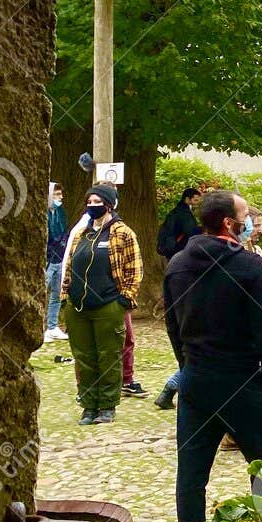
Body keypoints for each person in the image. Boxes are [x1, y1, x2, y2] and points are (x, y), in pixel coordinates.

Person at [162, 189, 262, 522]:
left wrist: (189, 364)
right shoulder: (249, 266)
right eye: (245, 215)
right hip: (244, 377)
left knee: (191, 475)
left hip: (197, 379)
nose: (248, 221)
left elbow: (172, 325)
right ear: (230, 223)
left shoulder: (177, 264)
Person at [61, 183, 141, 426]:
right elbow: (69, 266)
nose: (92, 206)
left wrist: (124, 299)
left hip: (108, 306)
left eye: (98, 202)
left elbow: (134, 269)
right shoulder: (81, 233)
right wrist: (65, 297)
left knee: (108, 357)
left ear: (109, 204)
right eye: (89, 201)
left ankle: (106, 405)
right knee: (84, 357)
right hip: (78, 308)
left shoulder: (122, 233)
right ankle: (88, 405)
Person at [44, 183, 68, 343]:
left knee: (57, 295)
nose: (60, 198)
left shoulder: (60, 213)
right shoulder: (43, 214)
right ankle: (40, 327)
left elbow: (64, 231)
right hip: (48, 260)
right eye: (56, 194)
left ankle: (52, 327)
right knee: (41, 293)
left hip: (59, 258)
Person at [157, 186, 202, 261]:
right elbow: (191, 231)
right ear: (187, 199)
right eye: (195, 200)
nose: (198, 203)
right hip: (177, 248)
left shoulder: (177, 210)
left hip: (170, 245)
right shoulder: (184, 213)